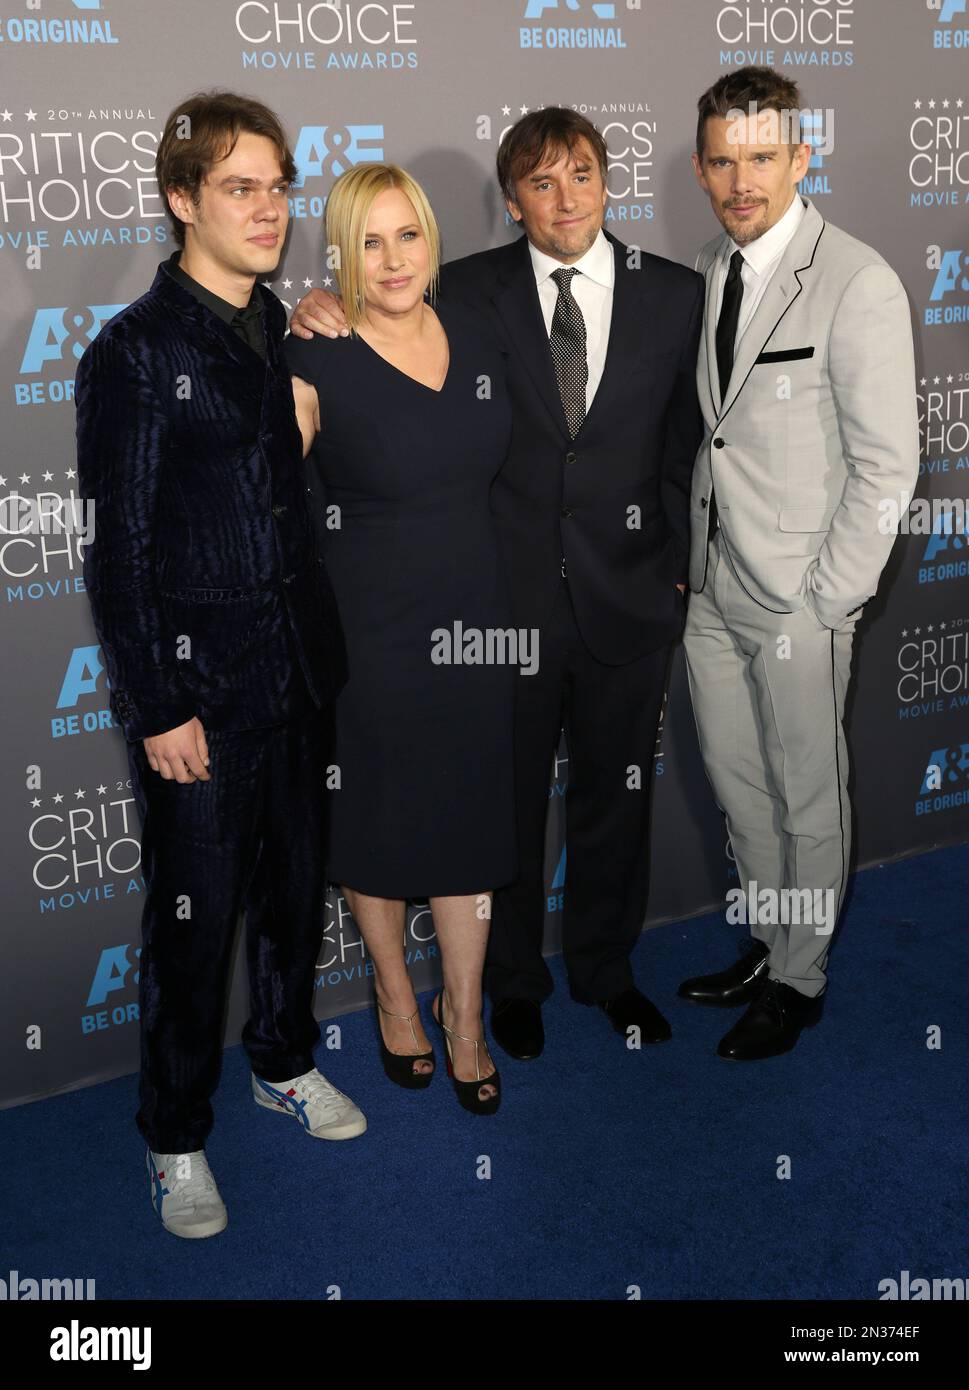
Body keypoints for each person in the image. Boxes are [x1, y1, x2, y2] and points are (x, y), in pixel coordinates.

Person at [290, 109, 704, 1063]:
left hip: (629, 596)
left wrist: (675, 567)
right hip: (496, 607)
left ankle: (605, 971)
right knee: (501, 808)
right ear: (511, 200)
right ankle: (509, 987)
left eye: (583, 176)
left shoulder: (673, 294)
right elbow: (375, 319)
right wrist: (317, 304)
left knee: (617, 796)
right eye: (541, 183)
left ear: (610, 182)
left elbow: (687, 446)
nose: (566, 200)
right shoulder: (462, 289)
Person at [74, 91, 365, 1240]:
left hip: (299, 671)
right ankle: (173, 1132)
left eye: (278, 186)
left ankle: (282, 1061)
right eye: (239, 187)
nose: (268, 208)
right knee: (195, 925)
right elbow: (120, 549)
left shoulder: (280, 320)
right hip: (198, 694)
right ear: (181, 200)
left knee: (296, 894)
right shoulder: (133, 352)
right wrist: (159, 705)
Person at [678, 67, 920, 1059]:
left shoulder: (859, 279)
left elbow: (887, 465)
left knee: (808, 793)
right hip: (709, 586)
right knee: (742, 787)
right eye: (725, 161)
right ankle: (769, 939)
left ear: (801, 157)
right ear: (701, 168)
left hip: (798, 600)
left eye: (763, 158)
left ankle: (801, 978)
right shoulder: (707, 267)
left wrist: (827, 602)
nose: (744, 181)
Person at [285, 163, 516, 1114]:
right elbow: (262, 506)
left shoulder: (480, 326)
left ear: (431, 239)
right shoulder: (313, 357)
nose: (390, 260)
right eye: (366, 242)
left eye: (406, 235)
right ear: (340, 254)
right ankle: (392, 996)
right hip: (367, 628)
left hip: (478, 617)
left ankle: (465, 1015)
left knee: (469, 816)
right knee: (373, 818)